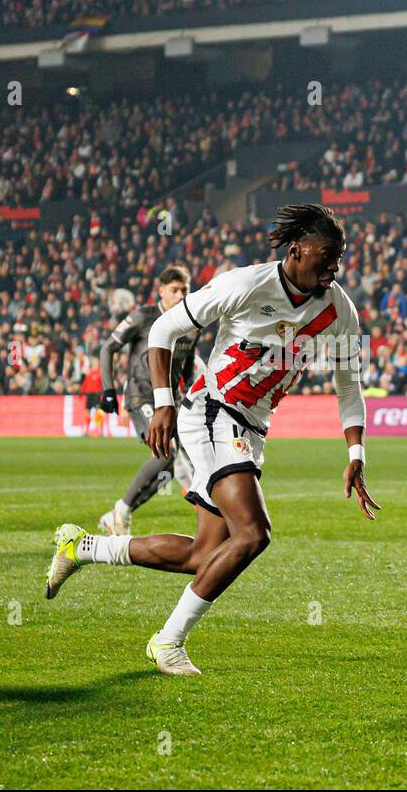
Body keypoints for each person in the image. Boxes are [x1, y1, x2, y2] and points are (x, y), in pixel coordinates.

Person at [45, 204, 380, 675]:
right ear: (297, 249)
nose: (334, 267)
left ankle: (82, 548)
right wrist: (164, 403)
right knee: (253, 533)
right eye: (327, 256)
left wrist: (355, 452)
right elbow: (164, 329)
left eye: (339, 258)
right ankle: (168, 642)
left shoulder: (338, 308)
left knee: (203, 554)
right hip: (212, 412)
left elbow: (350, 384)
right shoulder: (244, 284)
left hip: (251, 429)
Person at [96, 265, 200, 534]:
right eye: (174, 290)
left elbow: (187, 371)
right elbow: (108, 348)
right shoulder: (143, 317)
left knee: (168, 464)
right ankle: (121, 511)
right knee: (167, 455)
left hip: (172, 403)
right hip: (141, 395)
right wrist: (108, 389)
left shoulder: (191, 327)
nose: (179, 296)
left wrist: (193, 397)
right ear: (161, 290)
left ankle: (120, 511)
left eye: (184, 291)